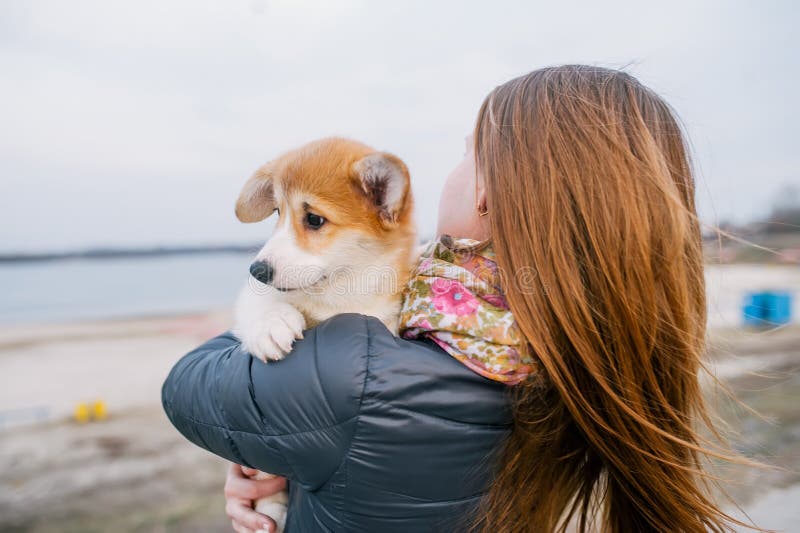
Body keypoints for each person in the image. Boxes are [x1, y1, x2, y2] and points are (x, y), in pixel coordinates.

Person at [163, 65, 749, 532]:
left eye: (466, 152)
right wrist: (288, 452)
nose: (448, 170)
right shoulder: (573, 354)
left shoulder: (363, 376)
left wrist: (265, 440)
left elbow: (187, 387)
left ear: (491, 194)